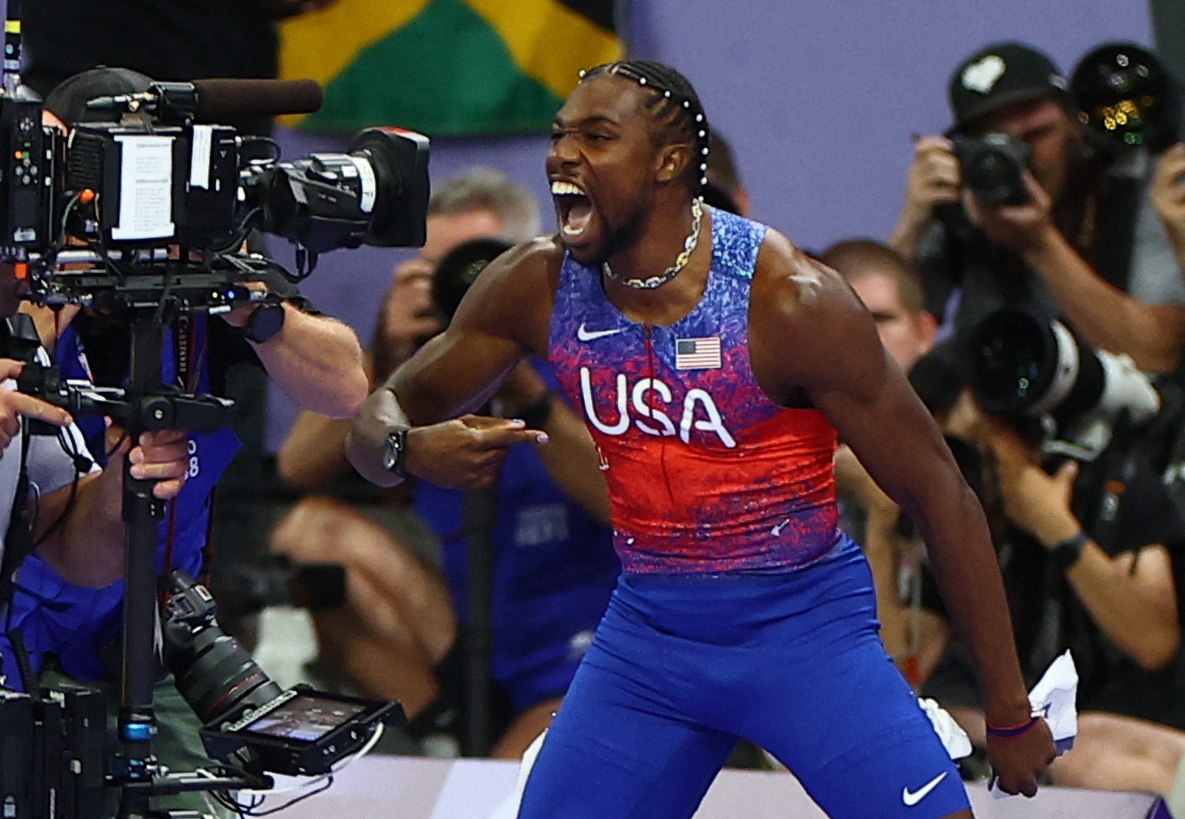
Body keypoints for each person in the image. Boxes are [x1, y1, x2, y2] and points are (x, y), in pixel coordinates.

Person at [345, 59, 1056, 816]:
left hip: (805, 635)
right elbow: (376, 413)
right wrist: (404, 449)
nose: (562, 156)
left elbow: (941, 494)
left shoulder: (789, 302)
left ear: (669, 161)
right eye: (558, 136)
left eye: (596, 137)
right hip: (649, 642)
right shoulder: (535, 284)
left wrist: (1009, 709)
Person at [7, 66, 368, 817]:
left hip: (144, 631)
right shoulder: (21, 269)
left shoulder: (201, 263)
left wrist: (250, 304)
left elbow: (344, 386)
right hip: (17, 632)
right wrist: (30, 321)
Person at [273, 169, 620, 760]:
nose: (461, 288)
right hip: (455, 637)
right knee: (311, 532)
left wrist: (513, 372)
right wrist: (387, 355)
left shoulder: (587, 352)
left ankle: (469, 758)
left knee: (514, 787)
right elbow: (296, 467)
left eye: (477, 268)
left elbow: (624, 502)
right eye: (436, 268)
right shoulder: (420, 367)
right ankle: (446, 738)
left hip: (573, 650)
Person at [905, 342, 1185, 802]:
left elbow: (1154, 641)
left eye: (969, 447)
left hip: (1136, 736)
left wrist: (1055, 527)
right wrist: (884, 528)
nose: (957, 474)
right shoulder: (955, 523)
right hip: (1029, 757)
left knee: (1090, 754)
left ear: (1016, 430)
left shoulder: (1106, 482)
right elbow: (908, 670)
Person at [891, 40, 1185, 375]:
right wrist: (911, 228)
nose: (1023, 158)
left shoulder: (1133, 188)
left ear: (1076, 126)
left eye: (1038, 135)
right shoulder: (968, 201)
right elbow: (875, 345)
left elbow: (1157, 355)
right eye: (998, 144)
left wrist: (1040, 245)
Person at [817, 238, 942, 679]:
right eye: (840, 323)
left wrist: (882, 519)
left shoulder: (957, 465)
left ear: (925, 333)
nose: (863, 340)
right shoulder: (762, 460)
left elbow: (903, 674)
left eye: (882, 321)